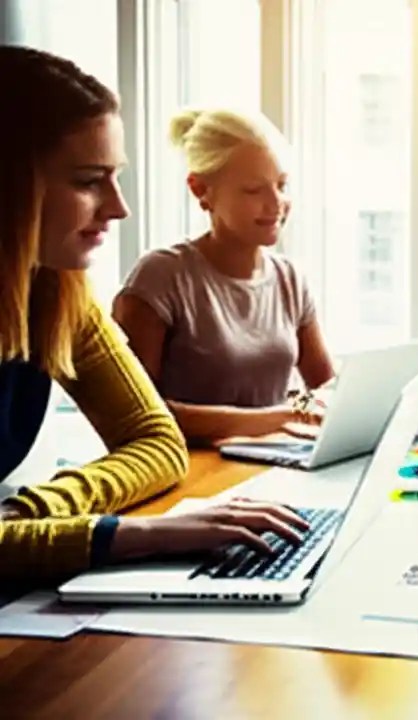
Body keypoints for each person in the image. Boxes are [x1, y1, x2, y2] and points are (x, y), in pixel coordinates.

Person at [0, 47, 307, 583]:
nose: (119, 207)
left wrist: (24, 517)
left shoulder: (57, 292)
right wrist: (128, 534)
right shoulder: (160, 275)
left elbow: (157, 441)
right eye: (88, 179)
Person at [113, 108, 336, 443]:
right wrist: (280, 418)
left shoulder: (290, 280)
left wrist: (303, 410)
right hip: (190, 474)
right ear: (201, 190)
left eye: (281, 185)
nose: (276, 203)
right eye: (253, 190)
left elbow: (319, 389)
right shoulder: (160, 277)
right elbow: (137, 414)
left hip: (272, 464)